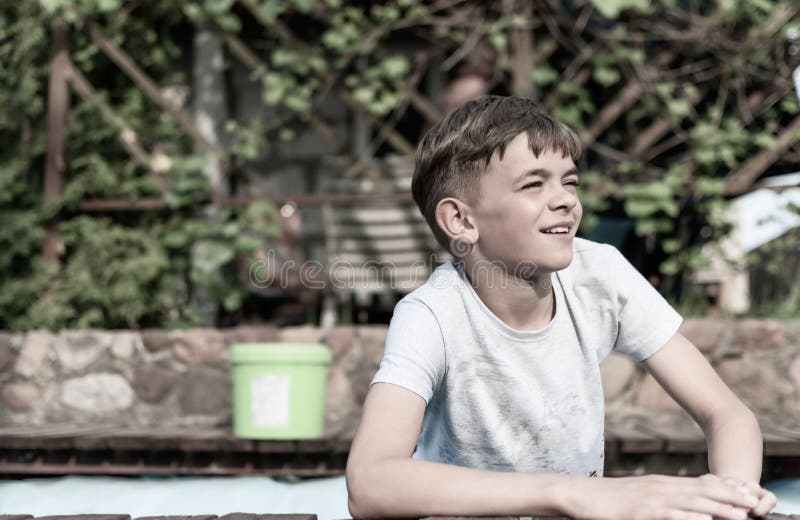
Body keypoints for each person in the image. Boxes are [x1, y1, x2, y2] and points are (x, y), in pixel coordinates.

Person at [345, 96, 778, 519]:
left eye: (569, 182)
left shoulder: (600, 275)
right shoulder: (432, 315)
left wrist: (734, 498)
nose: (566, 200)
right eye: (533, 184)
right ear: (461, 220)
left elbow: (726, 414)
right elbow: (369, 483)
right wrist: (573, 495)